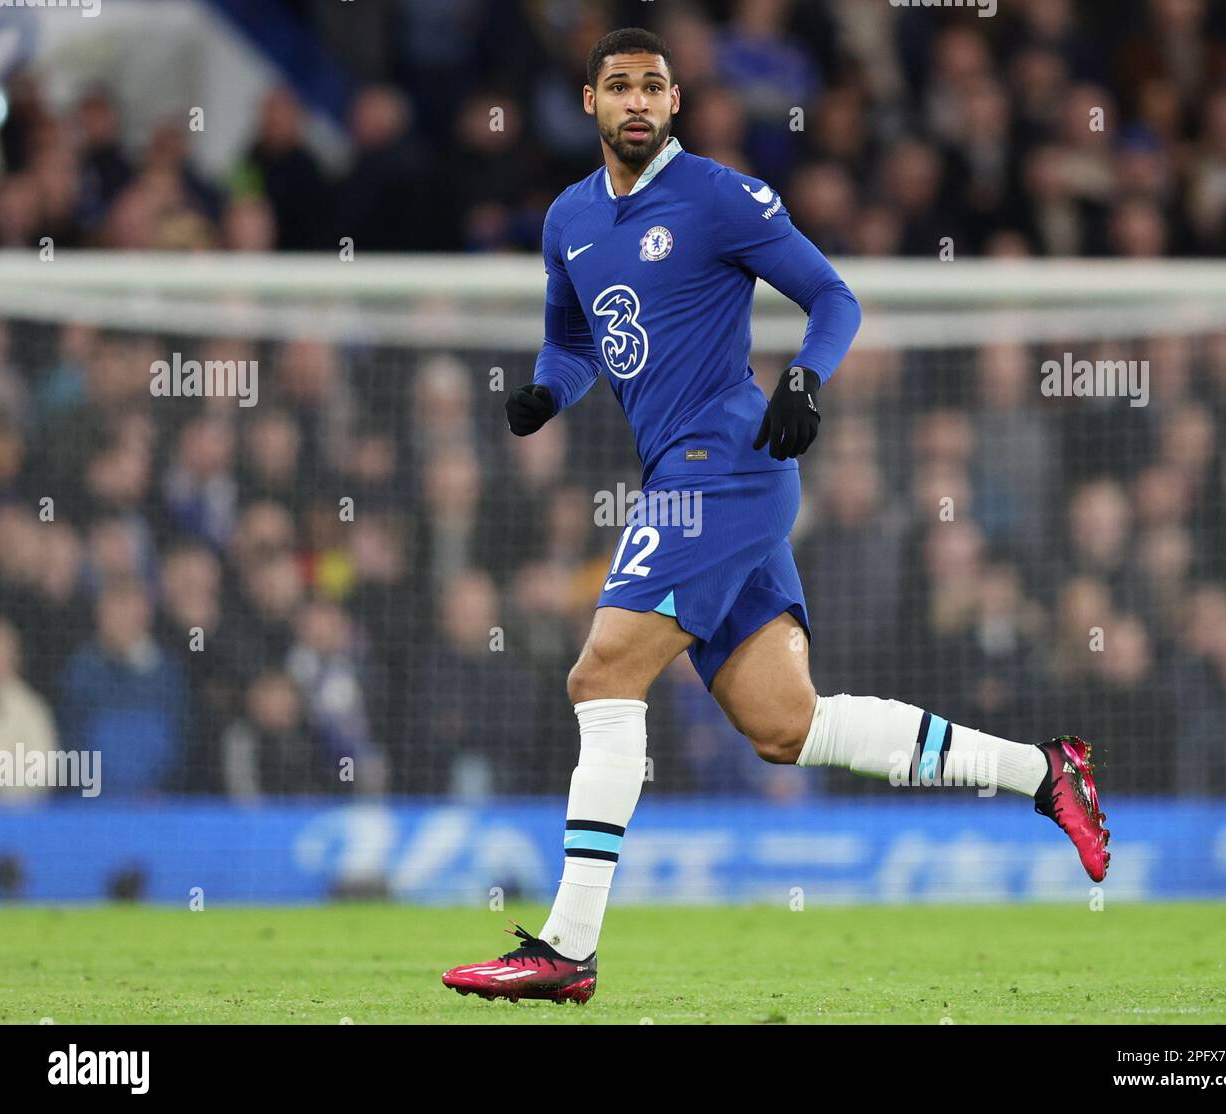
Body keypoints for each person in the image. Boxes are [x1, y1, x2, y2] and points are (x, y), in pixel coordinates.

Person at [442, 27, 1109, 1006]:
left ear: (675, 103)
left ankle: (566, 946)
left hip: (725, 469)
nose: (636, 102)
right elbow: (576, 340)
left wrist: (803, 376)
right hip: (685, 473)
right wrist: (547, 391)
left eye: (653, 88)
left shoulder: (716, 195)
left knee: (601, 671)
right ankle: (1045, 770)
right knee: (785, 724)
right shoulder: (568, 220)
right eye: (617, 86)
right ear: (588, 101)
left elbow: (832, 297)